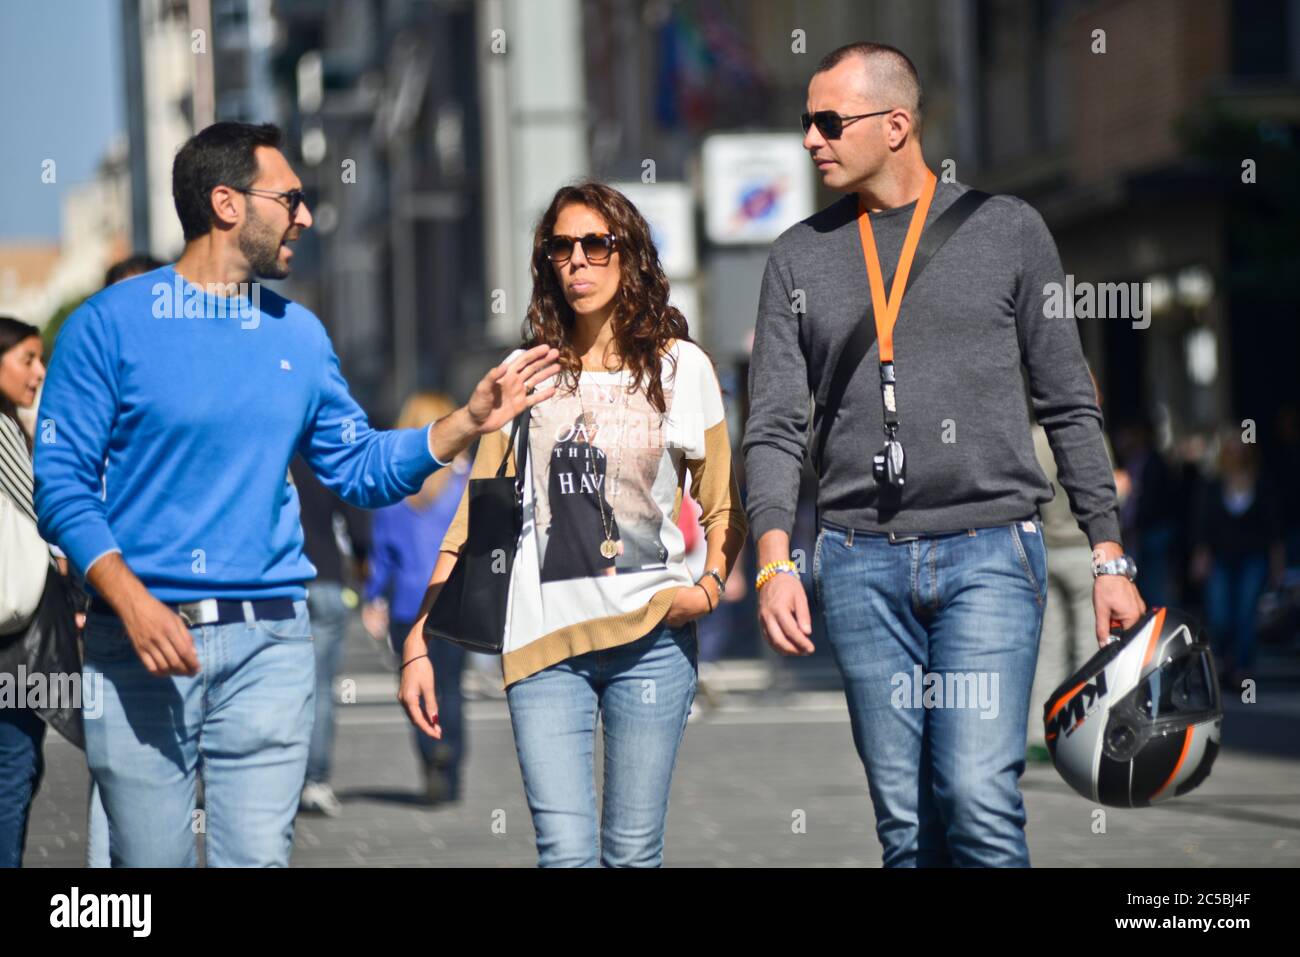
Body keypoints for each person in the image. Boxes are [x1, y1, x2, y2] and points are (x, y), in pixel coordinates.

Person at [33, 121, 560, 867]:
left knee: (257, 860)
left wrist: (466, 422)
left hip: (270, 644)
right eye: (291, 198)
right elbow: (61, 486)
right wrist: (129, 597)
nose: (306, 217)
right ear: (226, 204)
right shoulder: (106, 328)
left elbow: (358, 466)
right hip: (140, 642)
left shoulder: (300, 336)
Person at [742, 42, 1144, 867]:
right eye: (806, 124)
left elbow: (1068, 399)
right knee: (906, 825)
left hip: (990, 550)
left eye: (827, 121)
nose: (811, 140)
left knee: (976, 797)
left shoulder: (1010, 231)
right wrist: (776, 557)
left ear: (896, 125)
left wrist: (1109, 553)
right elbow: (775, 422)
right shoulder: (798, 255)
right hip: (856, 562)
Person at [398, 182, 748, 867]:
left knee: (632, 852)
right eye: (561, 247)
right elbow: (476, 517)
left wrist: (707, 589)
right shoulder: (524, 374)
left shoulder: (682, 368)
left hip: (652, 639)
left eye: (596, 244)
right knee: (564, 853)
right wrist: (418, 637)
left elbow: (723, 501)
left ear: (629, 255)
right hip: (541, 642)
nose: (578, 261)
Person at [85, 254, 165, 867]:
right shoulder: (90, 393)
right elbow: (62, 502)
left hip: (205, 620)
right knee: (116, 787)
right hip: (114, 617)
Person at [361, 392, 470, 804]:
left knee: (415, 685)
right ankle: (452, 759)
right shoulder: (465, 480)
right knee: (452, 687)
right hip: (454, 600)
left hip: (409, 604)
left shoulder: (396, 488)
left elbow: (383, 553)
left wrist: (373, 598)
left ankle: (430, 752)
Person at [0, 316, 69, 867]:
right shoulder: (3, 429)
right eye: (27, 359)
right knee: (13, 765)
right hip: (12, 639)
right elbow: (49, 515)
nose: (38, 371)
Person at [290, 456, 371, 818]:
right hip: (325, 577)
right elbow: (359, 525)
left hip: (277, 583)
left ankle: (275, 778)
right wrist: (362, 562)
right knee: (320, 686)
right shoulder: (325, 455)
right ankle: (315, 781)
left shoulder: (269, 446)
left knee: (268, 684)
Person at [1191, 427, 1285, 689]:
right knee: (1220, 614)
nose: (1234, 454)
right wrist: (1200, 554)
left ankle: (1242, 668)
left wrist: (1277, 562)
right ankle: (1224, 660)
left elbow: (1273, 527)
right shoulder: (1213, 484)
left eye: (1239, 449)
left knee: (1245, 613)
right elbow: (1203, 524)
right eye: (1230, 449)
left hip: (1253, 558)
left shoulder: (1262, 483)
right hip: (1221, 557)